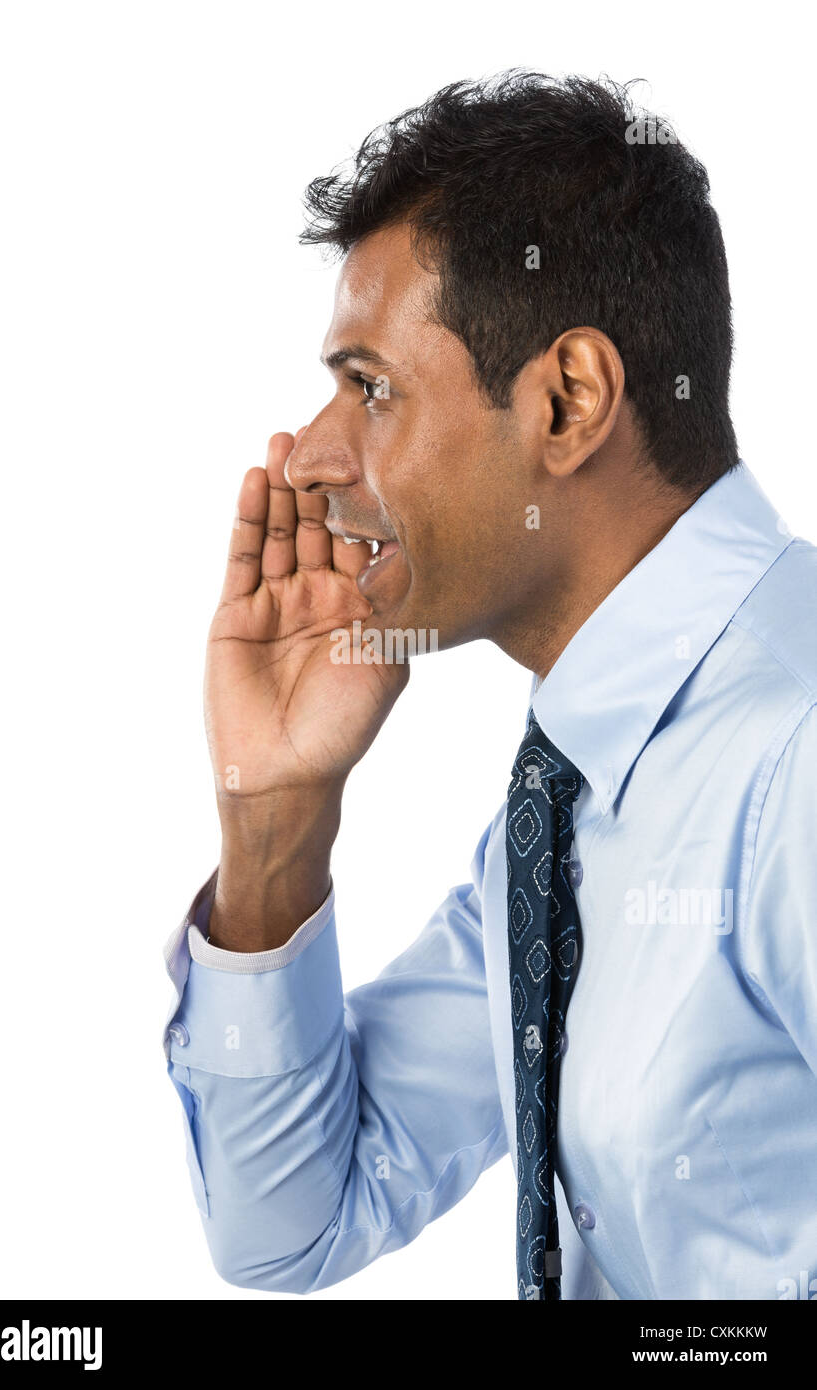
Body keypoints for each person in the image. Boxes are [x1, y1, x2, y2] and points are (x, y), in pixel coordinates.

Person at [162, 72, 817, 1300]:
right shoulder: (569, 807)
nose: (307, 454)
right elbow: (290, 1226)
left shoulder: (795, 752)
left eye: (371, 386)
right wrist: (275, 821)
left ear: (565, 401)